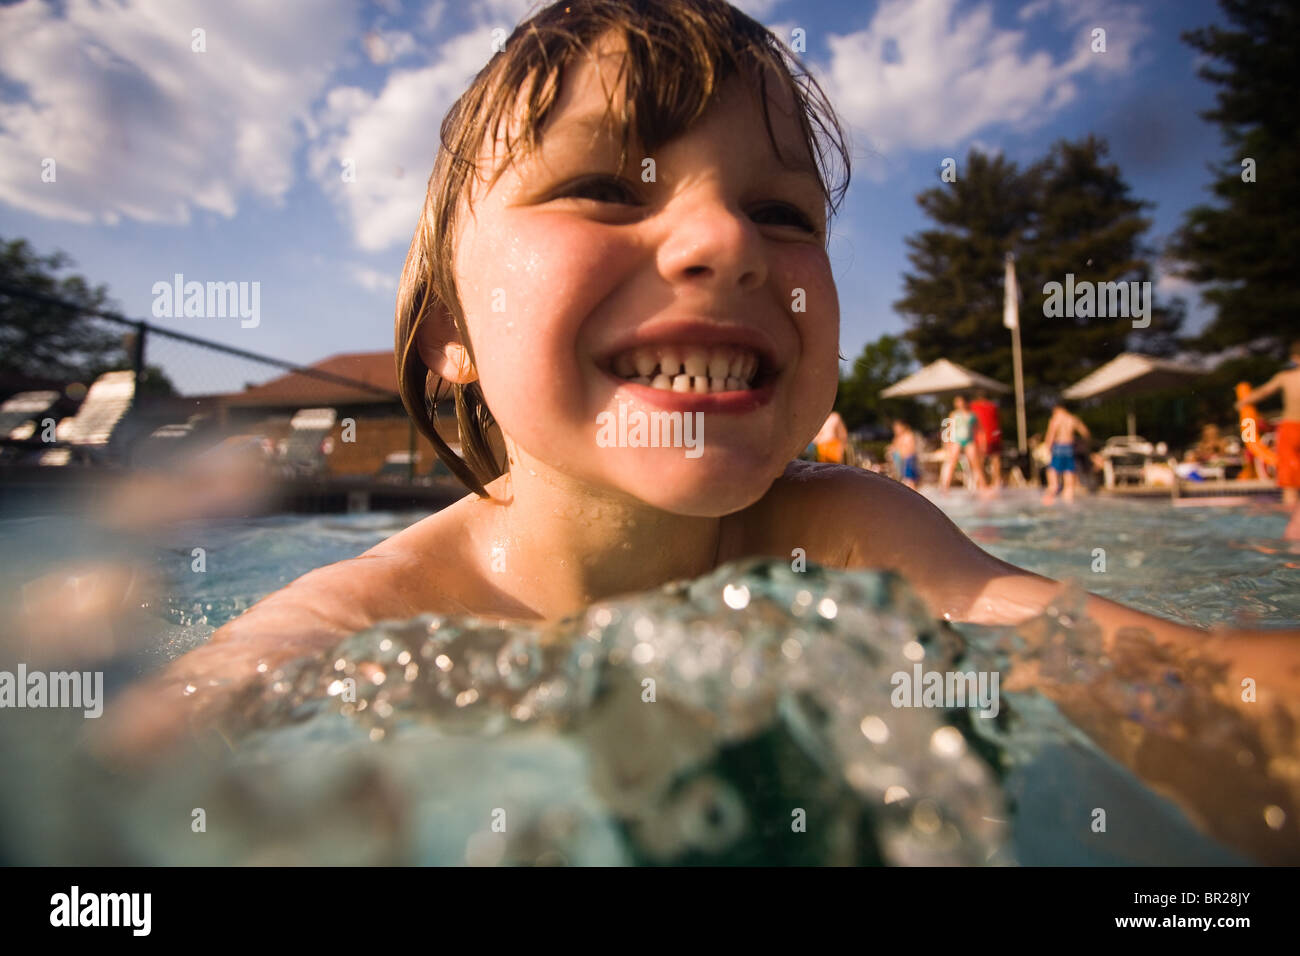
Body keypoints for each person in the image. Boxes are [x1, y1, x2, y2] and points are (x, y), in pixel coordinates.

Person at [95, 2, 1300, 837]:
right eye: (607, 188)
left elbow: (1149, 678)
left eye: (783, 213)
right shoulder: (369, 612)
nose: (726, 242)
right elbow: (125, 790)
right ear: (446, 338)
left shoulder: (851, 533)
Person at [1236, 339, 1300, 520]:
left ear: (1295, 358)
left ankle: (1292, 522)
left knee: (1289, 482)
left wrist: (1242, 402)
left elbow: (1263, 392)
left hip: (1291, 427)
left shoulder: (1286, 377)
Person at [1041, 401, 1090, 504]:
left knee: (1052, 476)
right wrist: (1081, 444)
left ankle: (1048, 502)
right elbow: (1086, 433)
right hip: (1070, 448)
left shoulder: (1055, 419)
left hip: (1058, 447)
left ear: (1057, 409)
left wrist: (1047, 448)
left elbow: (1051, 435)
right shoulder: (1072, 419)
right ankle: (1068, 501)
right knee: (1069, 479)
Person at [938, 394, 984, 492]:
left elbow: (979, 430)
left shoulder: (972, 415)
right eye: (956, 401)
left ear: (965, 402)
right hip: (957, 441)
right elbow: (948, 430)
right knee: (951, 463)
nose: (958, 403)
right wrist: (947, 444)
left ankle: (982, 486)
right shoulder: (954, 414)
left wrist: (982, 444)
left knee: (976, 465)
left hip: (969, 441)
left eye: (959, 401)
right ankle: (945, 487)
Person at [969, 390, 1002, 490]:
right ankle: (996, 481)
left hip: (981, 436)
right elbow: (998, 420)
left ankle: (982, 482)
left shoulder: (973, 406)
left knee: (980, 460)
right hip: (994, 434)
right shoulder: (993, 406)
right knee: (995, 459)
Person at [886, 419, 919, 490]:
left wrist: (900, 451)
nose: (896, 430)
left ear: (903, 427)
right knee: (904, 479)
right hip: (902, 461)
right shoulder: (897, 438)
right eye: (895, 429)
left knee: (909, 480)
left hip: (908, 460)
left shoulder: (908, 435)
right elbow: (894, 447)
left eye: (898, 428)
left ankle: (913, 494)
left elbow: (911, 449)